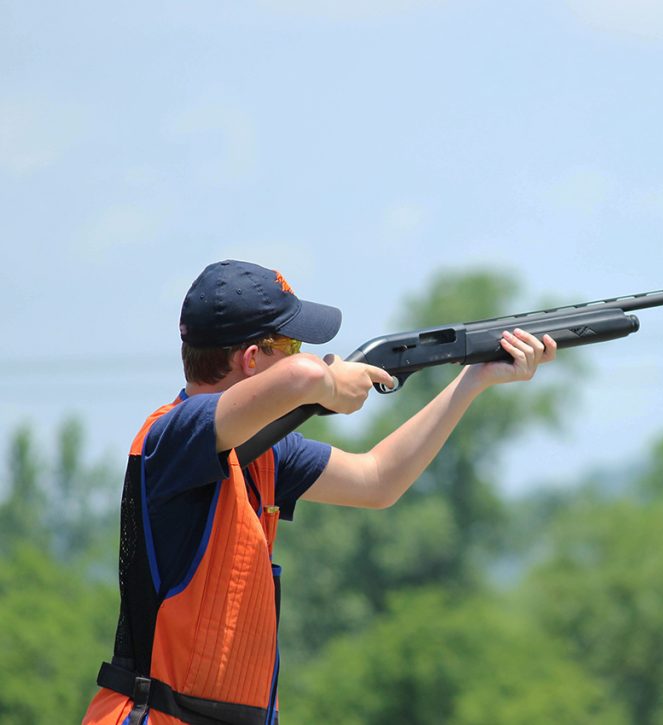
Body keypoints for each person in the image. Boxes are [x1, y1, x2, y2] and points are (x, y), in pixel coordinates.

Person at [82, 259, 556, 725]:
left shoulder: (264, 453)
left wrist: (473, 380)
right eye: (290, 343)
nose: (300, 353)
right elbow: (304, 379)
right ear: (252, 360)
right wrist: (330, 384)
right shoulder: (173, 435)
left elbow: (378, 480)